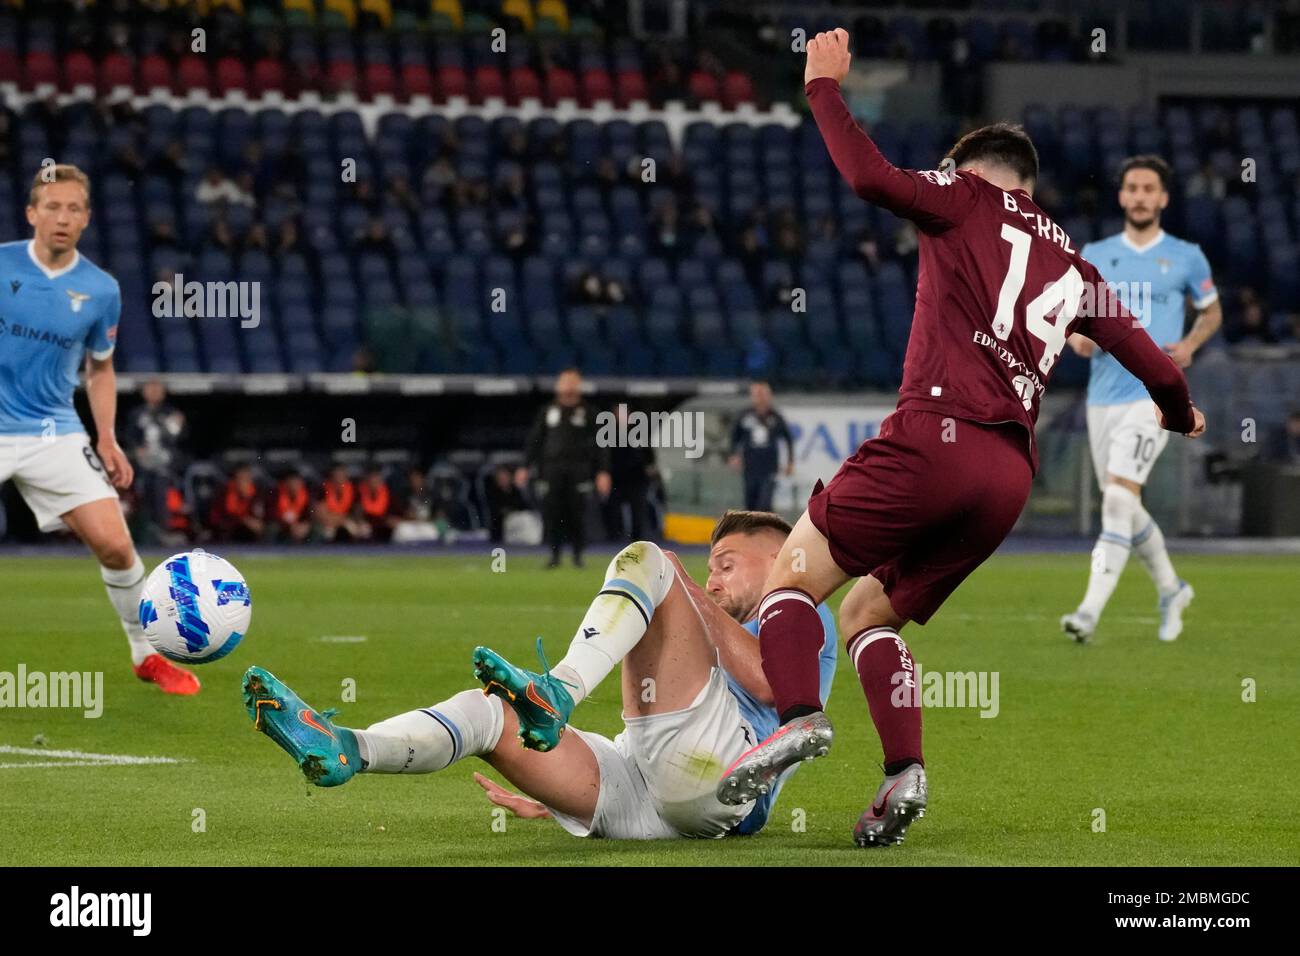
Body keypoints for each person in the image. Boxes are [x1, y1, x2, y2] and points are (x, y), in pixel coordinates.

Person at [715, 30, 1206, 849]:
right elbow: (1149, 355)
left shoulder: (964, 197)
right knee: (871, 614)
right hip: (1005, 476)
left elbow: (868, 176)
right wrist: (1178, 409)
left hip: (933, 437)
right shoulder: (1079, 268)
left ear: (973, 168)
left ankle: (797, 719)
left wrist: (823, 89)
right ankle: (903, 772)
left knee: (793, 581)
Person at [242, 511, 837, 840]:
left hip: (724, 781)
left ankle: (560, 691)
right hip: (649, 788)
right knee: (488, 714)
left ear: (781, 558)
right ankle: (349, 747)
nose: (712, 581)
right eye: (710, 570)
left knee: (651, 560)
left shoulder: (803, 609)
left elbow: (768, 682)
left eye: (727, 565)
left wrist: (681, 583)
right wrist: (557, 801)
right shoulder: (725, 619)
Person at [0, 164, 199, 694]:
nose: (61, 217)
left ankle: (145, 654)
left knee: (115, 545)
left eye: (73, 208)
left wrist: (106, 437)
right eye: (51, 207)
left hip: (54, 431)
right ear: (31, 214)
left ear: (86, 219)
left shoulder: (101, 289)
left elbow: (101, 367)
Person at [1062, 155, 1222, 644]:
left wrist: (1191, 345)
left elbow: (1211, 312)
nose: (1139, 196)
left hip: (1152, 396)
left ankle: (1088, 613)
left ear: (1163, 198)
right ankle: (1172, 588)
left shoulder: (1187, 256)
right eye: (1132, 187)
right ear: (1122, 195)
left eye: (1149, 188)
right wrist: (1078, 339)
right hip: (1102, 396)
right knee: (1125, 502)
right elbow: (1072, 316)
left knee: (1115, 497)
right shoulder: (1097, 252)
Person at [516, 368, 611, 568]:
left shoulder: (589, 412)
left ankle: (578, 555)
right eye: (564, 381)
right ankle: (554, 556)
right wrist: (525, 466)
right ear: (558, 385)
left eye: (572, 381)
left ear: (579, 385)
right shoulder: (548, 410)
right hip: (552, 469)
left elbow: (601, 444)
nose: (568, 385)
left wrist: (603, 471)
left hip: (579, 469)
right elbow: (535, 440)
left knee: (577, 513)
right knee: (552, 512)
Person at [124, 377, 186, 544]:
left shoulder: (170, 413)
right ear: (144, 392)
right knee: (139, 496)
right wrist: (137, 449)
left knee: (160, 495)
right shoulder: (137, 414)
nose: (153, 393)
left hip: (164, 465)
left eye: (157, 389)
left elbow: (177, 436)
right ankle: (139, 532)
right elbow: (129, 436)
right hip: (141, 465)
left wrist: (177, 425)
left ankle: (163, 531)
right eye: (150, 389)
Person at [728, 381, 795, 511]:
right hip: (750, 466)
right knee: (750, 503)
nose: (760, 398)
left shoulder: (775, 417)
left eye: (763, 394)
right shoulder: (745, 416)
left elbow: (788, 439)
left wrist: (790, 461)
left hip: (769, 468)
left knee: (764, 503)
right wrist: (734, 455)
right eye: (757, 394)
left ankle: (766, 529)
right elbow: (735, 437)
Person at [214, 464, 265, 542]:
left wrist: (256, 522)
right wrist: (247, 520)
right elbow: (231, 512)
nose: (243, 482)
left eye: (246, 478)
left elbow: (258, 513)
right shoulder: (229, 490)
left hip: (247, 525)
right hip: (227, 524)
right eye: (240, 478)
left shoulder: (255, 492)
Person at [270, 470, 312, 543]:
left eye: (297, 482)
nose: (295, 485)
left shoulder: (306, 494)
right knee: (272, 528)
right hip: (282, 525)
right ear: (286, 483)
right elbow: (271, 515)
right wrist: (289, 525)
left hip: (299, 526)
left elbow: (310, 514)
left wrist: (305, 525)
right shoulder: (275, 494)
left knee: (315, 528)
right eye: (292, 482)